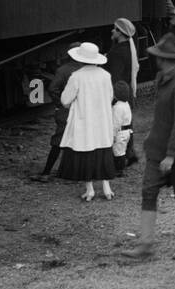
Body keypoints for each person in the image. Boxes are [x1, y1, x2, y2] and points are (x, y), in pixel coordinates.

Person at [121, 33, 175, 259]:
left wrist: (171, 155)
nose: (155, 59)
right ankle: (146, 244)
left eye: (157, 56)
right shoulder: (162, 80)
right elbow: (163, 118)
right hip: (157, 151)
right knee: (148, 192)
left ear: (164, 59)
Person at [58, 42, 117, 203]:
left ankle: (90, 190)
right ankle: (107, 188)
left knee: (86, 152)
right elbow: (111, 97)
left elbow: (65, 100)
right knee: (102, 151)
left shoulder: (77, 76)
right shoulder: (106, 75)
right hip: (102, 120)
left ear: (80, 59)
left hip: (85, 120)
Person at [33, 45, 80, 180]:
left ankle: (46, 173)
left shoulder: (63, 70)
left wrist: (61, 103)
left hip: (66, 111)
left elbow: (52, 89)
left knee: (58, 140)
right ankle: (77, 173)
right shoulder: (89, 70)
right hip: (83, 111)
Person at [106, 19, 140, 166]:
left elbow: (115, 76)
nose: (112, 31)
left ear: (121, 33)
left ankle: (119, 158)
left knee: (118, 125)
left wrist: (112, 97)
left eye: (115, 29)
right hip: (127, 91)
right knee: (126, 125)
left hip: (119, 93)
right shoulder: (128, 48)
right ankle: (130, 154)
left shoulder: (117, 52)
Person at [111, 81, 133, 179]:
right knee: (122, 150)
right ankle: (120, 168)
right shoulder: (126, 104)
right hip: (127, 131)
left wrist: (113, 135)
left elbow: (116, 123)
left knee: (118, 151)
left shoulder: (117, 107)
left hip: (120, 132)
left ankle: (119, 170)